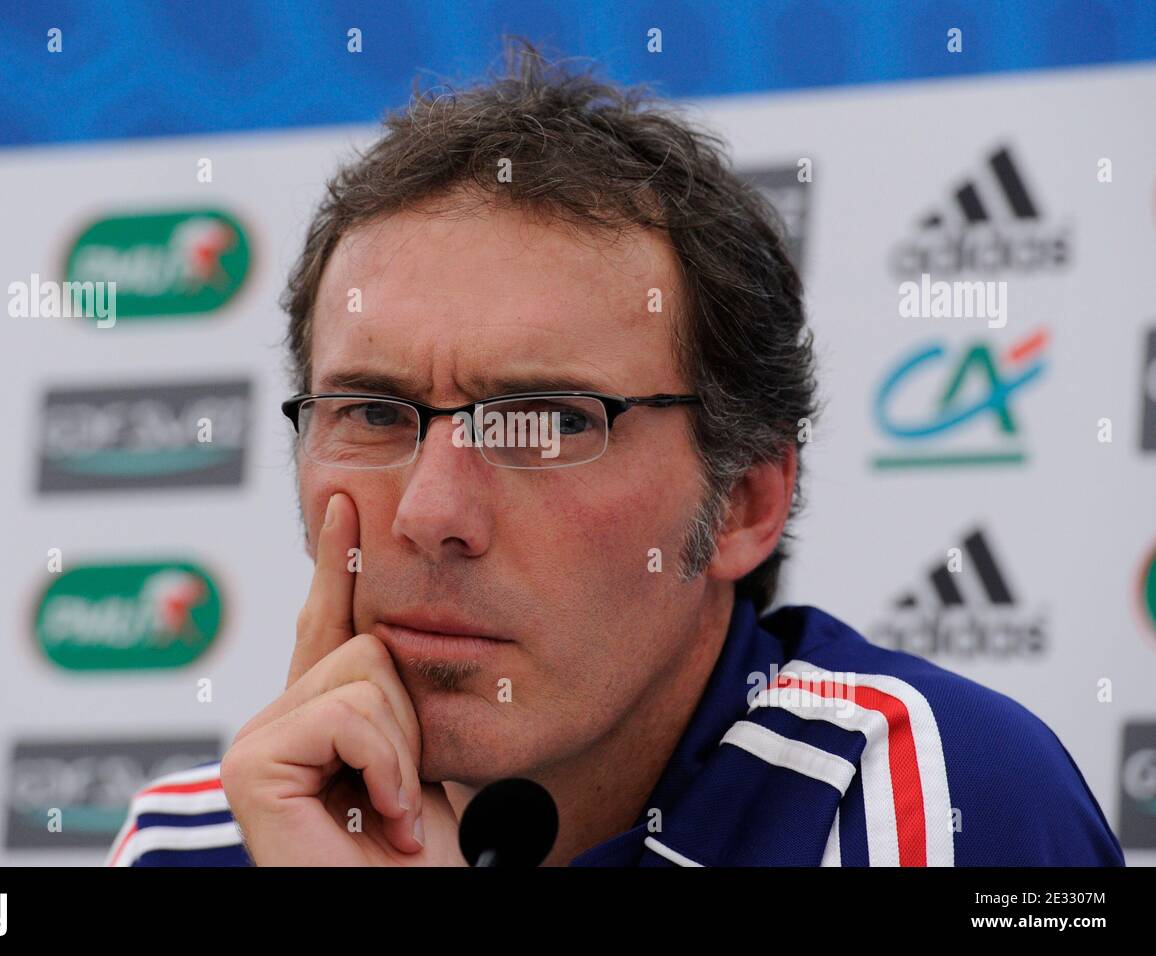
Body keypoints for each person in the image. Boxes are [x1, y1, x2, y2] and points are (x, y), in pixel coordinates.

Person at [106, 41, 1123, 868]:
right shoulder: (194, 842)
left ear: (743, 503)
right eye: (373, 412)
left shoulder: (925, 803)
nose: (428, 512)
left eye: (543, 418)